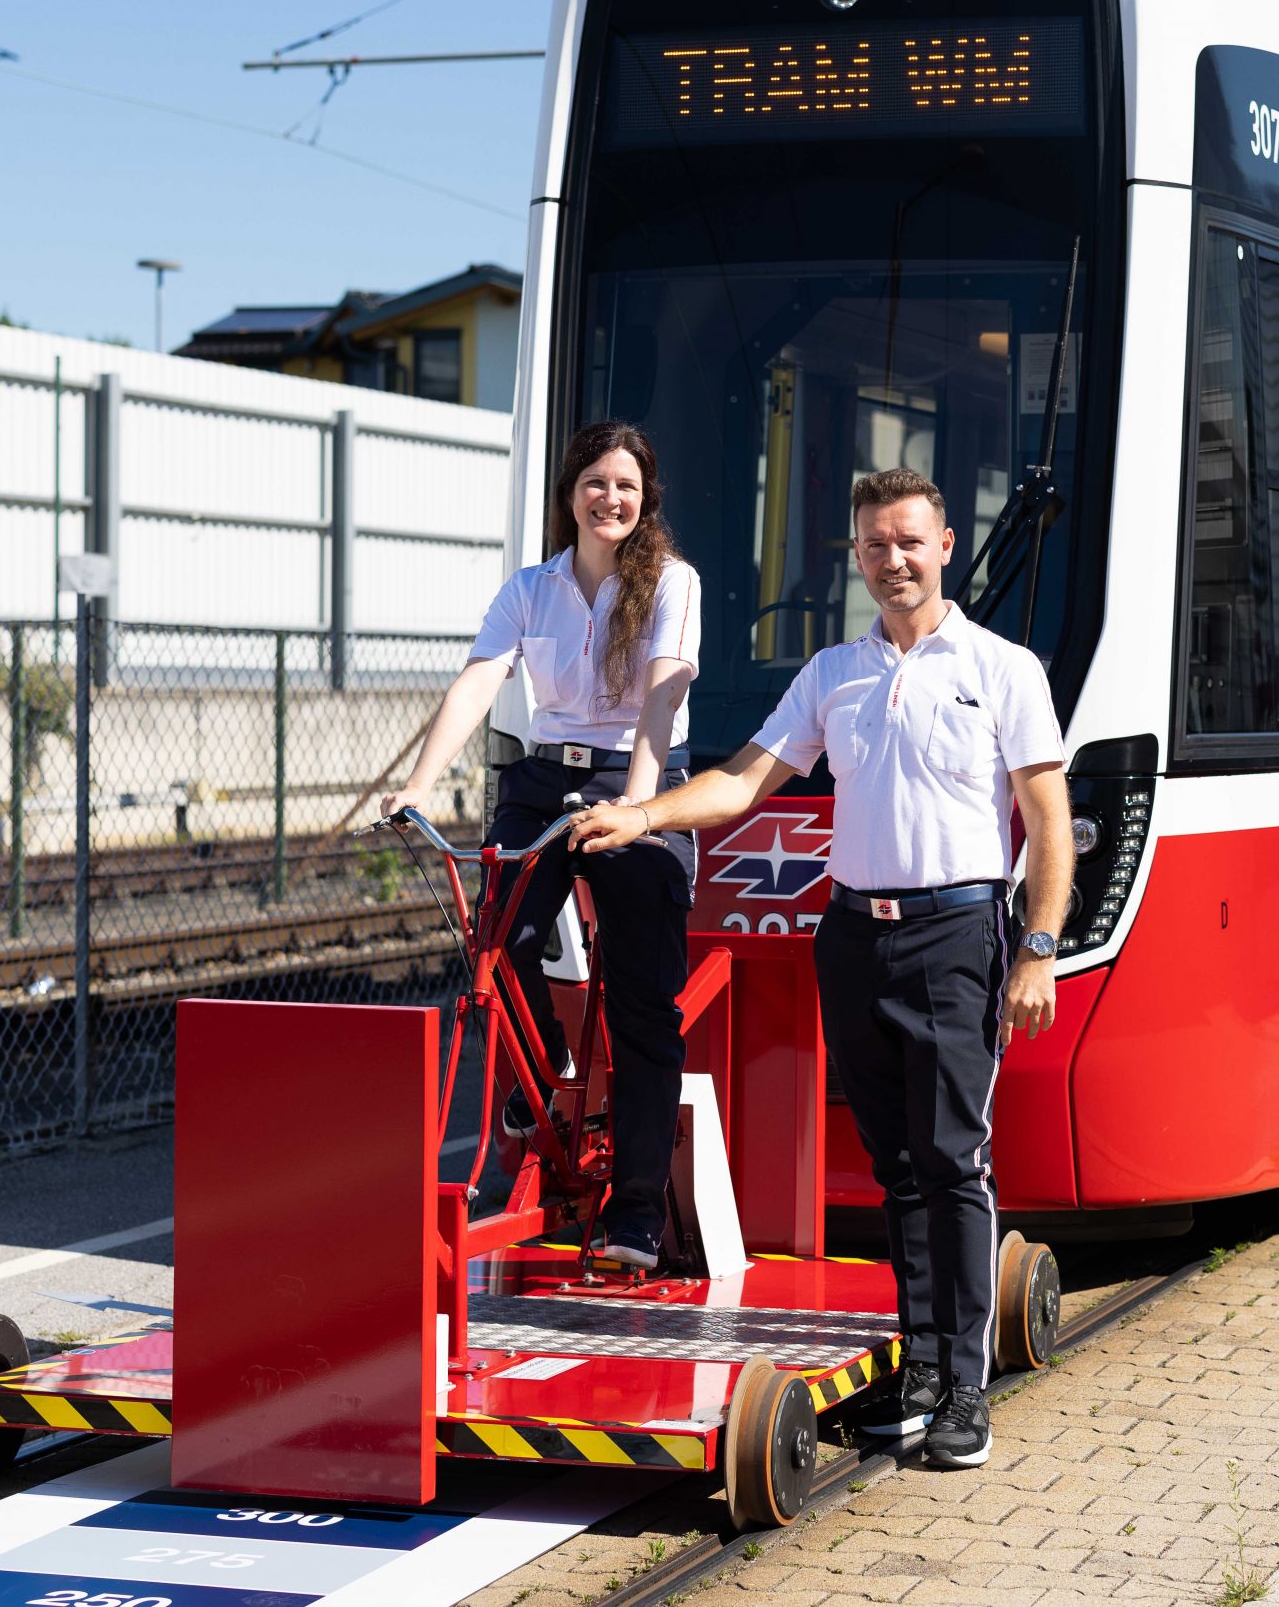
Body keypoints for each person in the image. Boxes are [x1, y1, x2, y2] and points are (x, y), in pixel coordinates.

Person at [573, 467, 1072, 1469]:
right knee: (896, 1168)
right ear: (857, 556)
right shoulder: (832, 673)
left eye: (910, 542)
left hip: (957, 933)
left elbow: (1050, 821)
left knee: (952, 1162)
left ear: (942, 546)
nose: (894, 560)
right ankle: (923, 1370)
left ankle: (963, 1389)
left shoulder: (1001, 666)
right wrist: (643, 813)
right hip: (852, 938)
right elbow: (743, 781)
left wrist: (1040, 947)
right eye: (875, 545)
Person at [382, 419, 700, 1271]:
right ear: (571, 495)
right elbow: (481, 678)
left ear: (646, 498)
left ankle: (635, 1215)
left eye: (627, 485)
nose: (611, 498)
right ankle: (545, 1072)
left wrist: (638, 808)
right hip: (543, 783)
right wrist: (418, 784)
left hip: (636, 782)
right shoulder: (530, 587)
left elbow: (662, 703)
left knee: (642, 1005)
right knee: (500, 943)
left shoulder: (671, 582)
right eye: (596, 482)